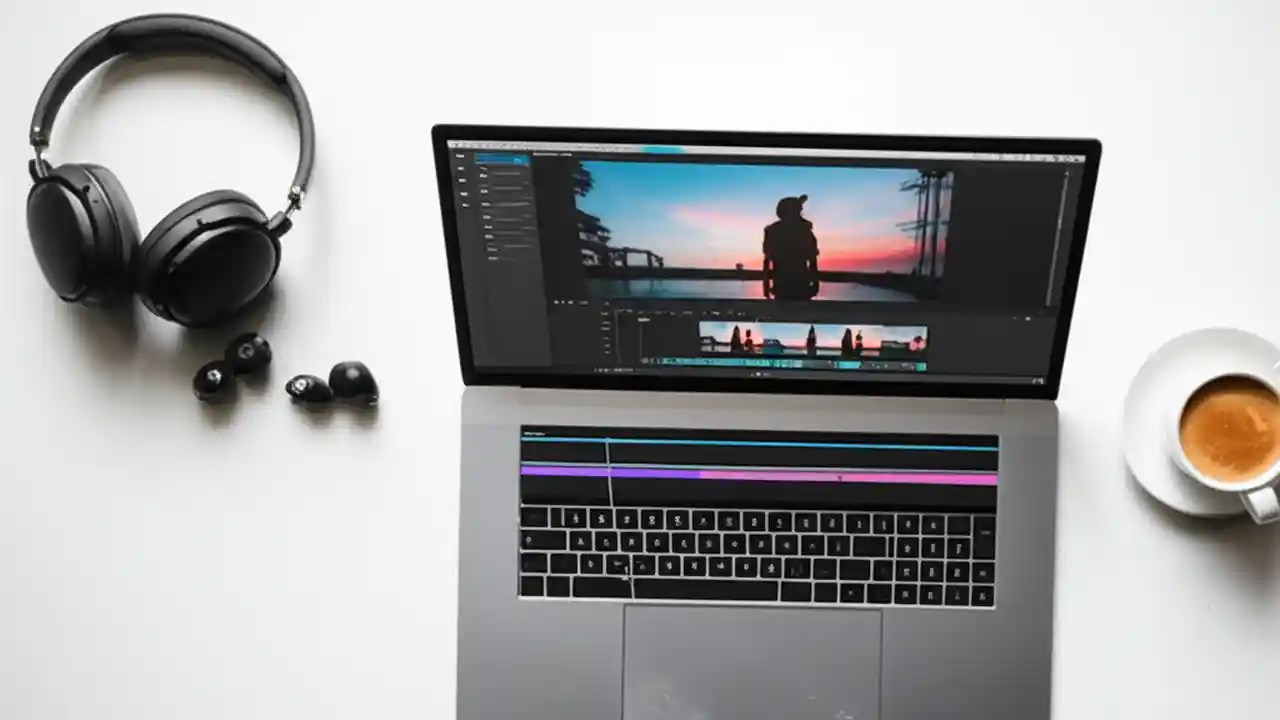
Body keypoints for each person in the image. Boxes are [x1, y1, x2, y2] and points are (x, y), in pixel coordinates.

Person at [762, 194, 819, 300]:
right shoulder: (804, 231)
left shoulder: (773, 232)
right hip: (797, 286)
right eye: (798, 210)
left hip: (785, 286)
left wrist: (765, 289)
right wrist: (815, 285)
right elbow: (812, 260)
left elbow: (767, 261)